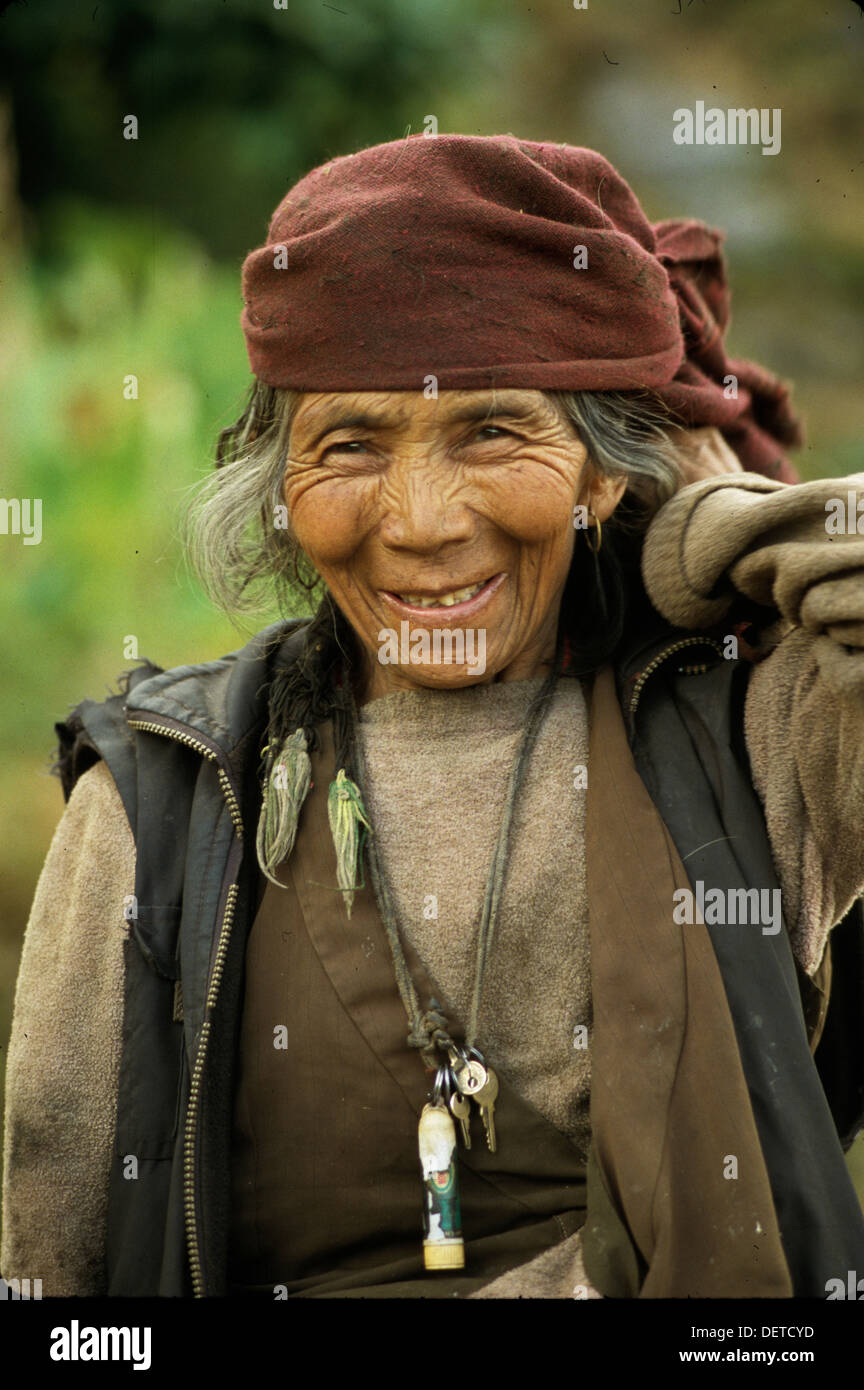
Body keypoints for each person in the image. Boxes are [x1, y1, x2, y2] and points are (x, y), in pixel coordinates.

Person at [2, 134, 864, 1299]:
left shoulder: (748, 732)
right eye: (349, 446)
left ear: (602, 469)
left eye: (493, 432)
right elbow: (56, 1289)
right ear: (280, 491)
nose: (419, 521)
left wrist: (714, 523)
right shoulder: (158, 801)